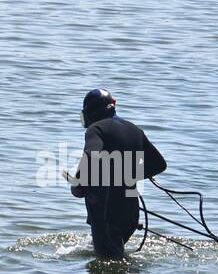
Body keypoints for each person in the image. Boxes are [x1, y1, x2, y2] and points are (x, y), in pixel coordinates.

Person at [68, 89, 167, 258]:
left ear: (91, 112)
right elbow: (158, 164)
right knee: (113, 253)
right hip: (130, 213)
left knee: (110, 262)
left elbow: (92, 156)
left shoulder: (96, 129)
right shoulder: (134, 129)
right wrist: (127, 175)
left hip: (106, 210)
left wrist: (78, 186)